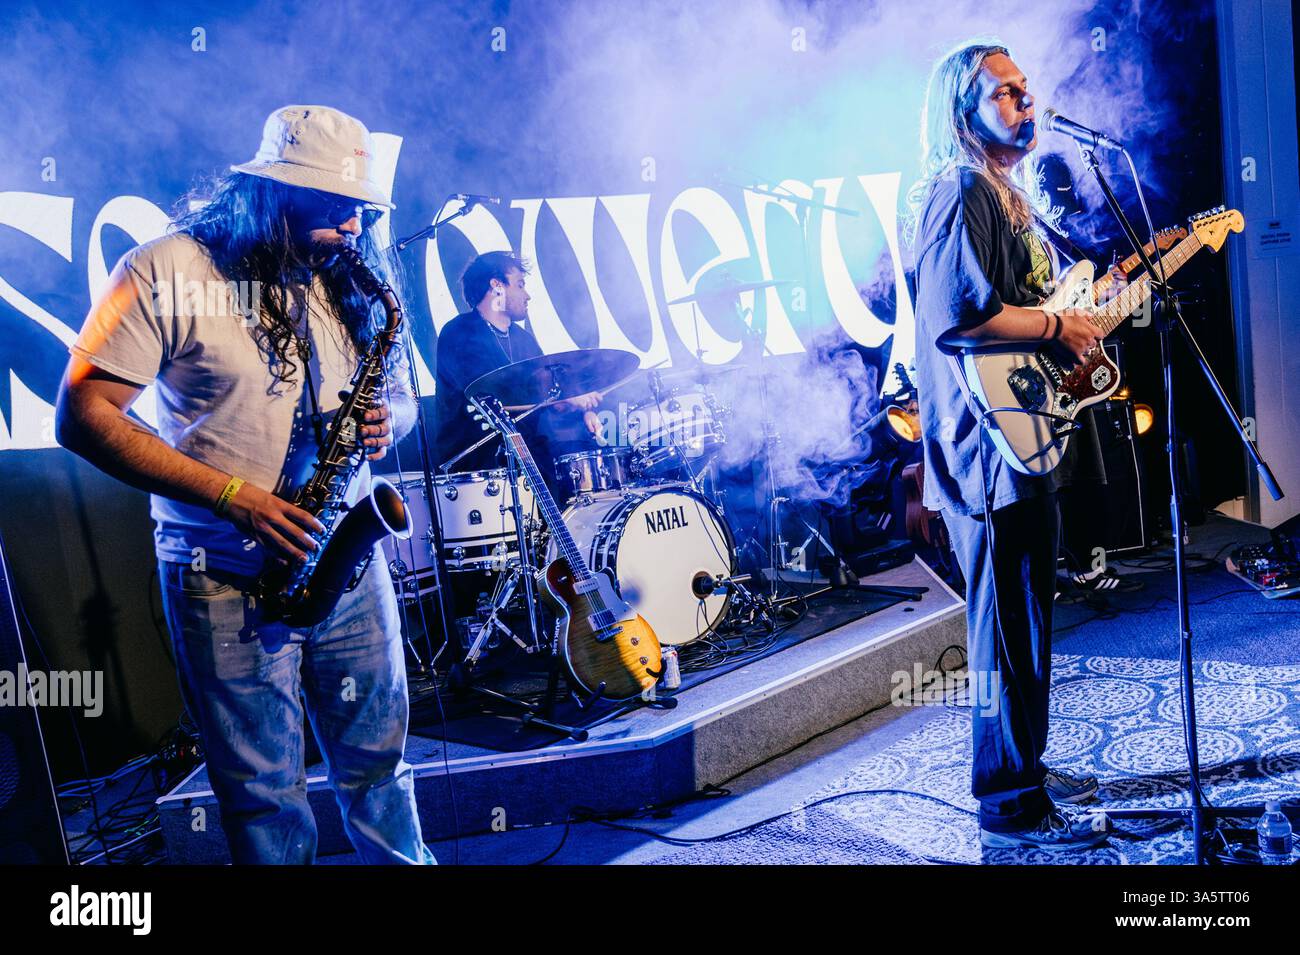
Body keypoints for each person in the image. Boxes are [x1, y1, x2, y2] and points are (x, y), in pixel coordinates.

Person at [55, 105, 433, 864]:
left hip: (348, 563)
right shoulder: (165, 268)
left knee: (382, 774)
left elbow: (402, 390)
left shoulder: (349, 273)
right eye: (334, 211)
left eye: (361, 212)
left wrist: (389, 416)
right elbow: (83, 414)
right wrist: (235, 498)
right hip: (222, 576)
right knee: (264, 803)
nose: (353, 229)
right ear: (273, 195)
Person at [907, 43, 1109, 850]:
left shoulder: (1001, 190)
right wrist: (1062, 325)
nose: (1028, 102)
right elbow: (959, 316)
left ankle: (1025, 764)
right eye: (1008, 93)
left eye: (1027, 89)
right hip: (987, 447)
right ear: (965, 109)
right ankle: (1008, 797)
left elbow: (1014, 305)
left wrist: (1070, 318)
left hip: (1017, 434)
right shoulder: (959, 188)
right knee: (1004, 624)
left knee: (1027, 612)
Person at [432, 250, 600, 480]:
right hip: (478, 465)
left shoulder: (523, 339)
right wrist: (563, 397)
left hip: (528, 456)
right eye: (520, 285)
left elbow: (547, 390)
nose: (527, 295)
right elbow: (490, 399)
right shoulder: (460, 333)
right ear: (496, 286)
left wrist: (581, 408)